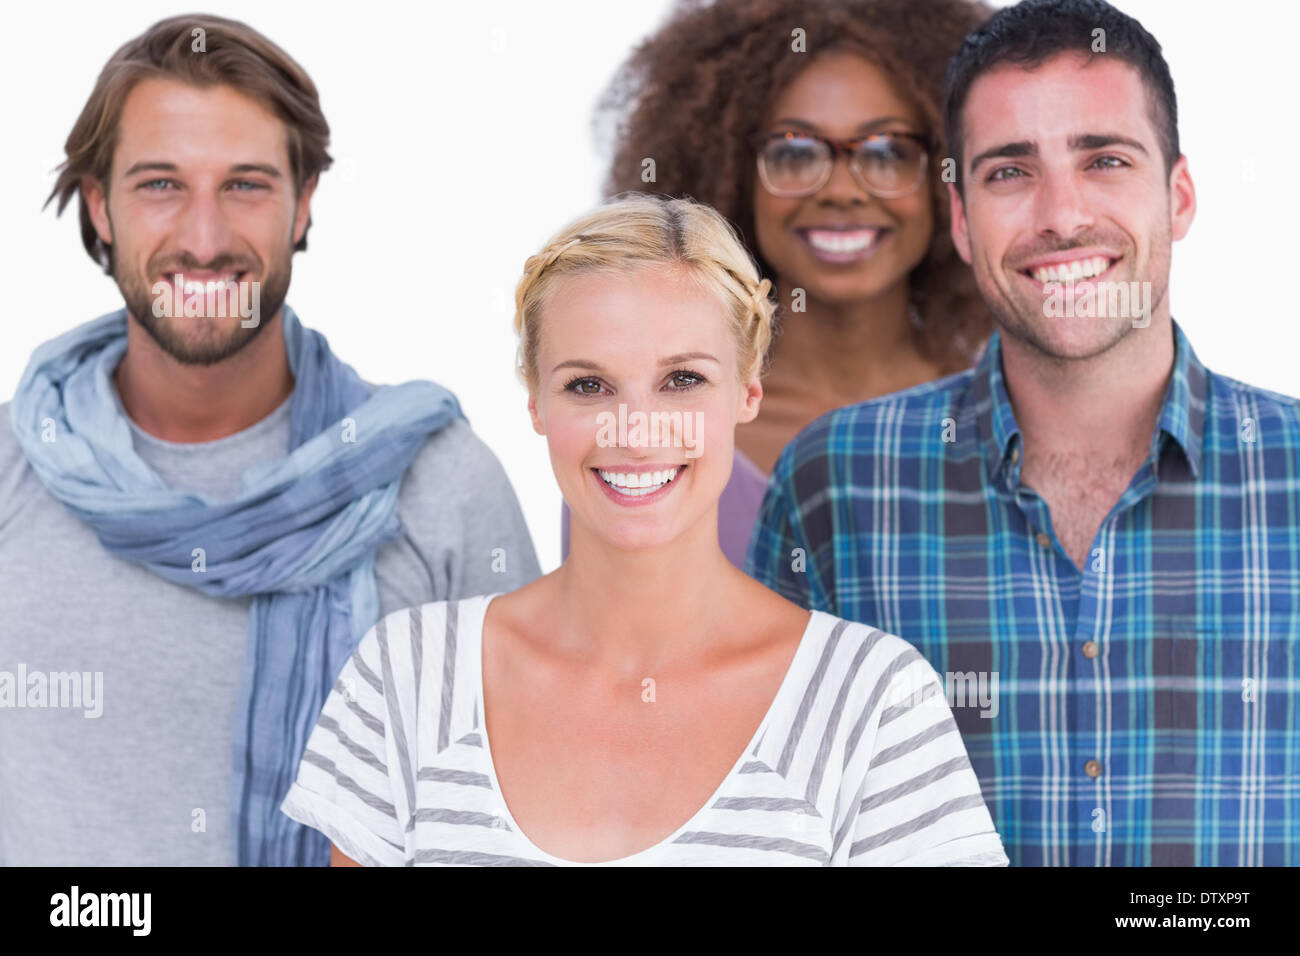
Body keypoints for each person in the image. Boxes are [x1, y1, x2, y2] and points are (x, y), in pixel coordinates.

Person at [280, 194, 1009, 866]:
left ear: (748, 388)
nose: (635, 429)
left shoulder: (874, 703)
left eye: (682, 379)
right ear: (535, 401)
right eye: (588, 385)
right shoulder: (406, 676)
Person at [747, 0, 1300, 866]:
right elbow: (769, 830)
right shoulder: (836, 486)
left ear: (1179, 195)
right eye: (1010, 172)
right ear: (962, 220)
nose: (1061, 214)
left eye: (1105, 160)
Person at [0, 14, 540, 866]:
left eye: (246, 184)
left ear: (304, 202)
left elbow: (527, 812)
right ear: (100, 208)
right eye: (159, 185)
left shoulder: (440, 486)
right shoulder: (11, 471)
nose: (205, 240)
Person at [561, 0, 994, 569]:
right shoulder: (648, 434)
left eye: (888, 151)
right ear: (730, 177)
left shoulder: (1007, 410)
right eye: (794, 151)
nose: (841, 190)